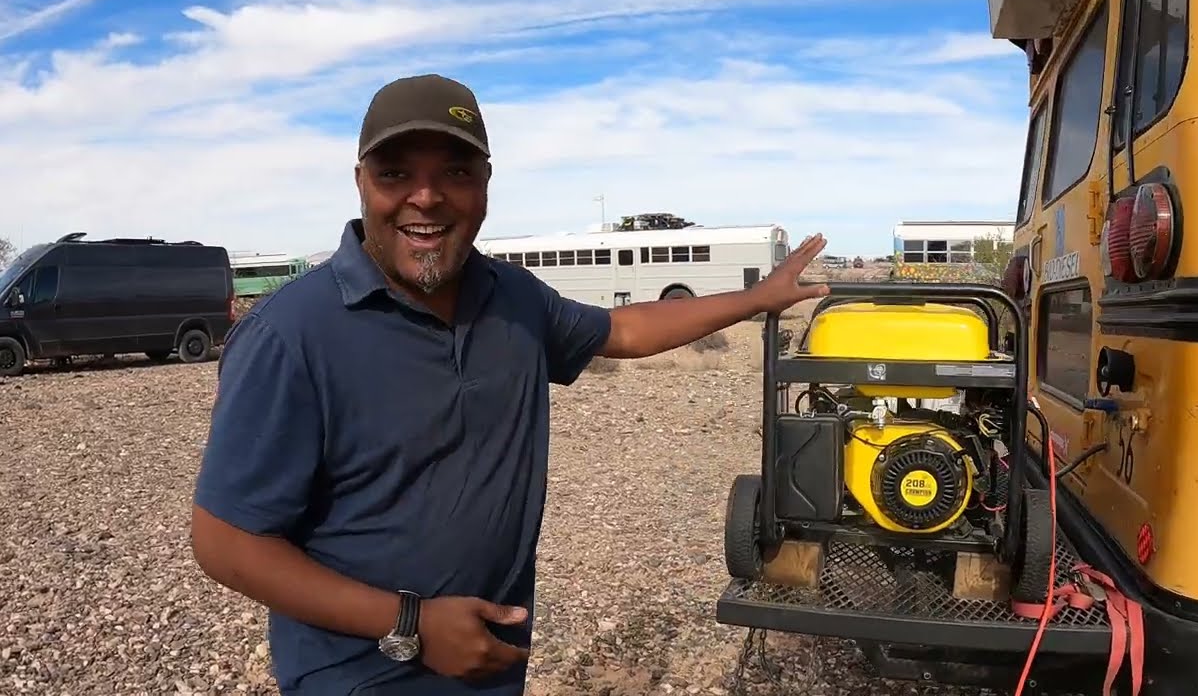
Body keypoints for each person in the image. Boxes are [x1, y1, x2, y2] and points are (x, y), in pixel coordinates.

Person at [189, 73, 829, 696]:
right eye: (396, 174)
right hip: (361, 672)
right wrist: (410, 623)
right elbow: (224, 541)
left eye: (456, 173)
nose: (427, 197)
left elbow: (626, 331)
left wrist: (755, 299)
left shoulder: (512, 297)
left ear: (486, 185)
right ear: (361, 183)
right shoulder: (291, 334)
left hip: (489, 659)